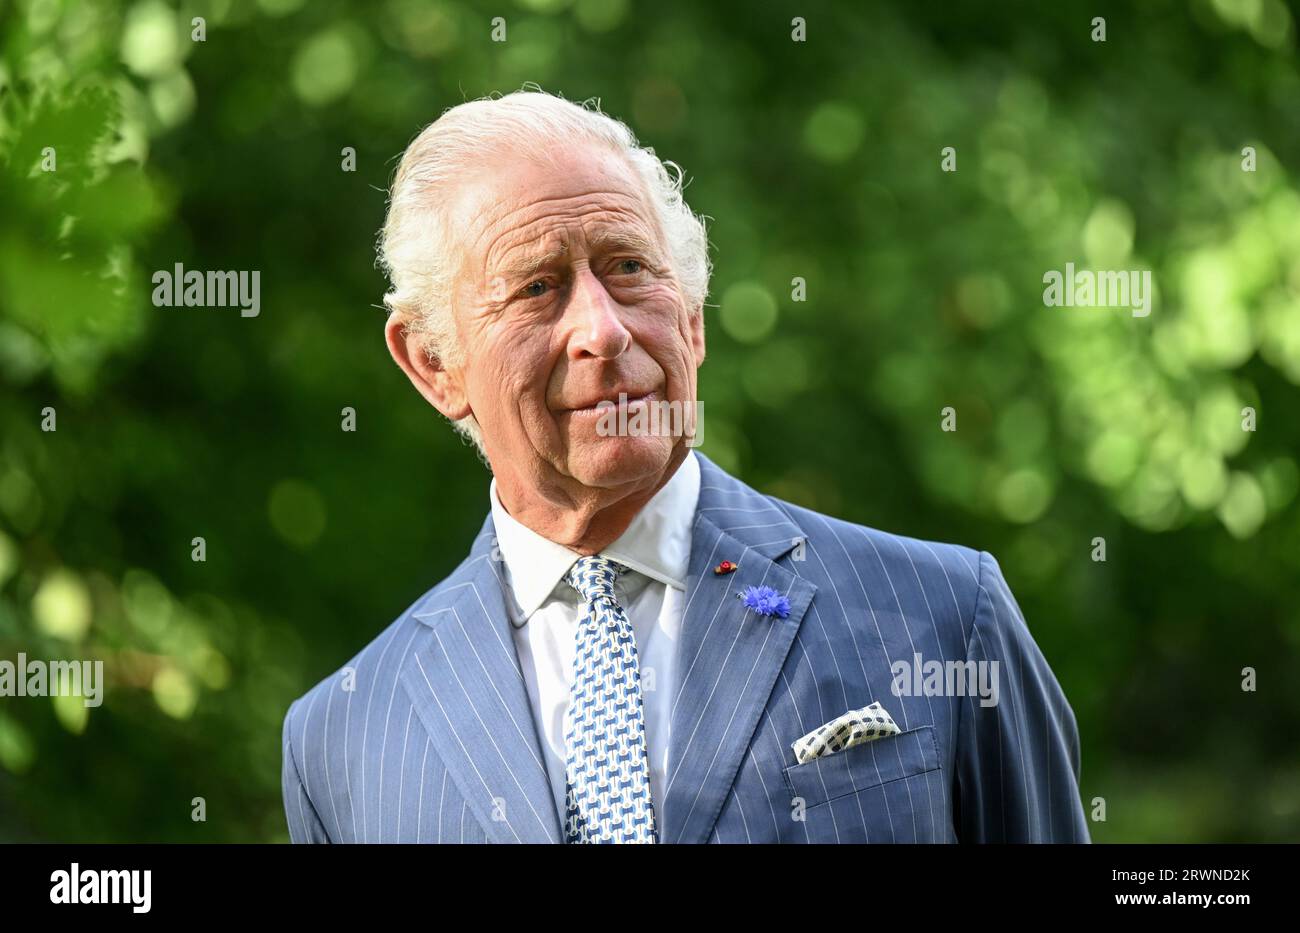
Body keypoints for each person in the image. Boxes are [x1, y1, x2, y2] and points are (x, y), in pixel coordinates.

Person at [281, 88, 1089, 844]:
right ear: (433, 364)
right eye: (537, 287)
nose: (603, 328)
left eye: (629, 268)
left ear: (693, 320)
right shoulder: (344, 738)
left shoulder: (941, 615)